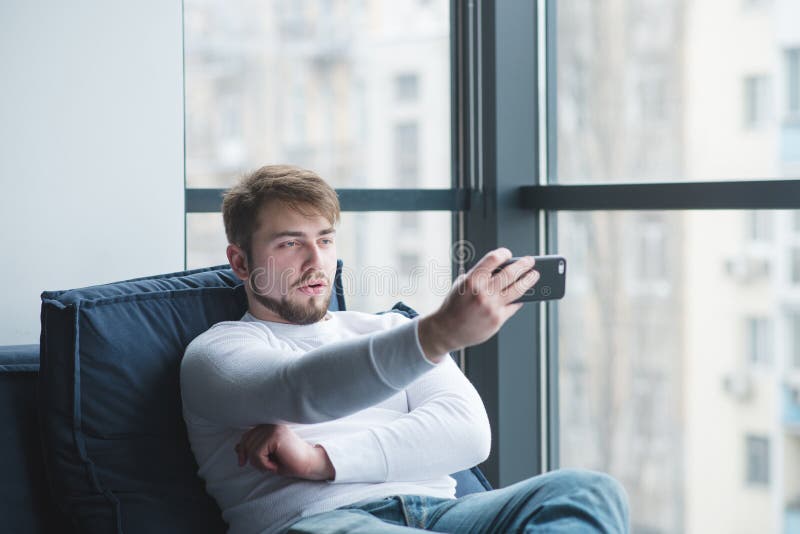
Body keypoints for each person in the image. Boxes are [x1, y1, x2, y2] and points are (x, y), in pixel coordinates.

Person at [180, 165, 629, 534]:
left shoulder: (390, 329)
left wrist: (321, 460)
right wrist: (439, 334)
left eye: (325, 239)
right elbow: (301, 390)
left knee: (587, 491)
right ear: (240, 261)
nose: (316, 261)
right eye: (290, 243)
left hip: (446, 516)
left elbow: (468, 434)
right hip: (322, 523)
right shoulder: (217, 353)